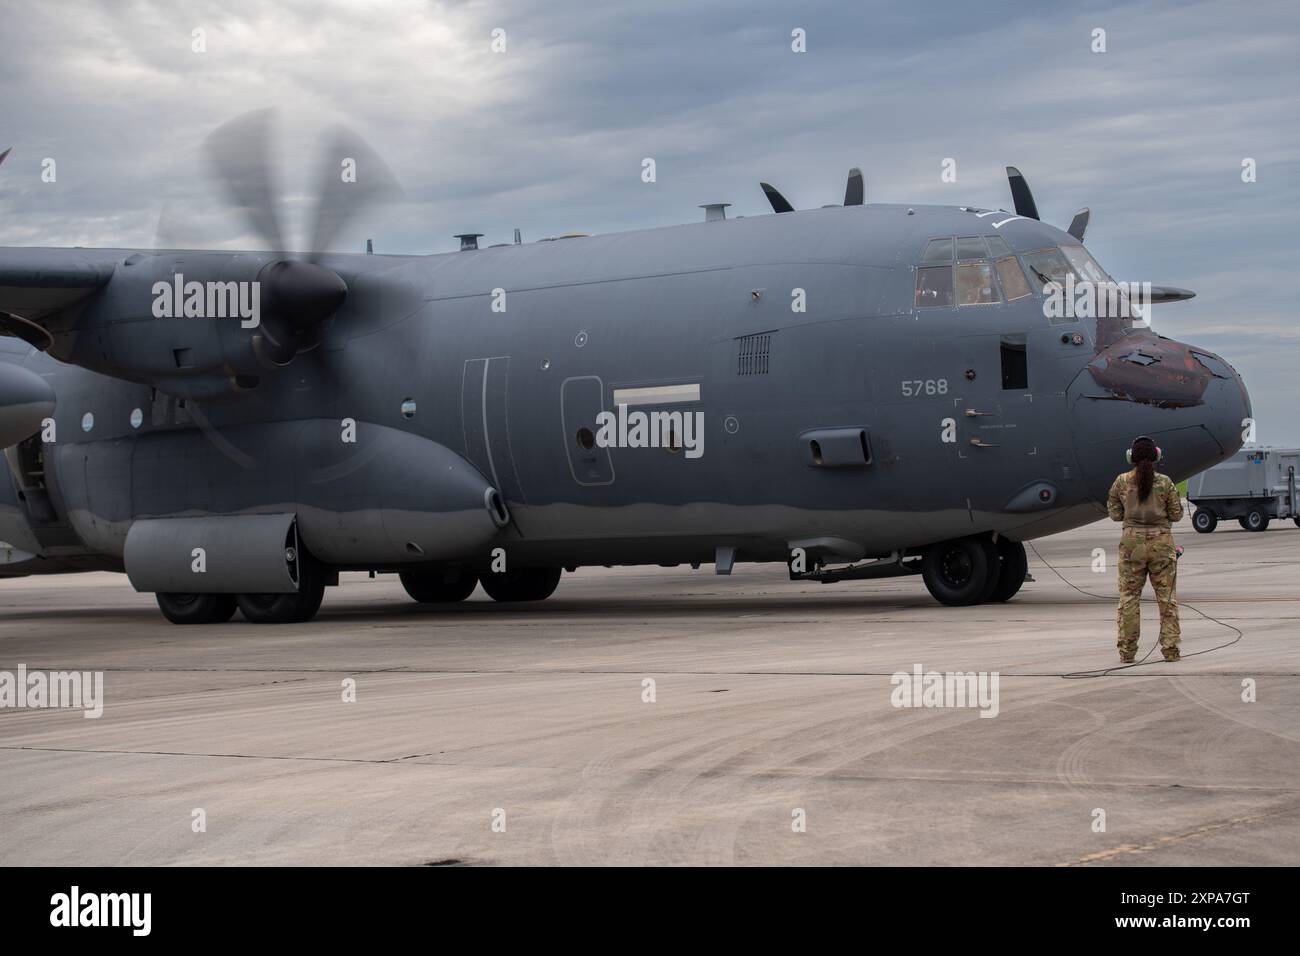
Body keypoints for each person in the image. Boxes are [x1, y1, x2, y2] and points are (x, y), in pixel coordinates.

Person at [1106, 436, 1183, 663]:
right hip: (1161, 544)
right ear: (1156, 456)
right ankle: (1170, 650)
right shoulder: (1165, 482)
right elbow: (1177, 515)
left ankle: (1127, 652)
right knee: (1167, 599)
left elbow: (1115, 514)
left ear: (1131, 457)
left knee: (1129, 598)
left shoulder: (1121, 482)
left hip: (1131, 546)